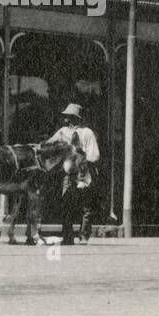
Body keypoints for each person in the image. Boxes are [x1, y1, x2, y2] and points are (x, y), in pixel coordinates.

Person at [47, 103, 100, 245]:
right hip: (68, 174)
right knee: (66, 204)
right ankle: (67, 236)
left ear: (75, 118)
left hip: (84, 172)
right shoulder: (62, 132)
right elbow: (49, 144)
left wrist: (81, 154)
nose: (66, 120)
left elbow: (94, 155)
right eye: (66, 117)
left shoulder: (87, 133)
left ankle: (83, 236)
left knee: (85, 206)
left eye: (69, 117)